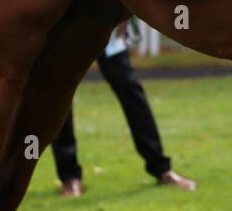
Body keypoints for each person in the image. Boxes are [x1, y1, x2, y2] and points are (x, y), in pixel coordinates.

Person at [53, 20, 197, 196]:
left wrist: (123, 14)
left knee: (129, 88)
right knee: (59, 93)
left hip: (102, 21)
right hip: (66, 23)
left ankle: (161, 169)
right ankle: (70, 178)